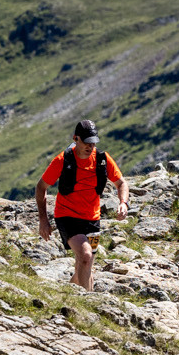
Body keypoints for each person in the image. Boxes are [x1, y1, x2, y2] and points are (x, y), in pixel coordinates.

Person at [34, 119, 128, 292]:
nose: (90, 146)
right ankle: (88, 306)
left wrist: (123, 203)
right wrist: (43, 220)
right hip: (67, 216)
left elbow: (121, 183)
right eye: (86, 141)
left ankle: (65, 297)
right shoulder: (63, 160)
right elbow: (41, 187)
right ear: (75, 138)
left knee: (84, 266)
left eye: (93, 142)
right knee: (85, 256)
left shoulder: (102, 159)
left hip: (92, 219)